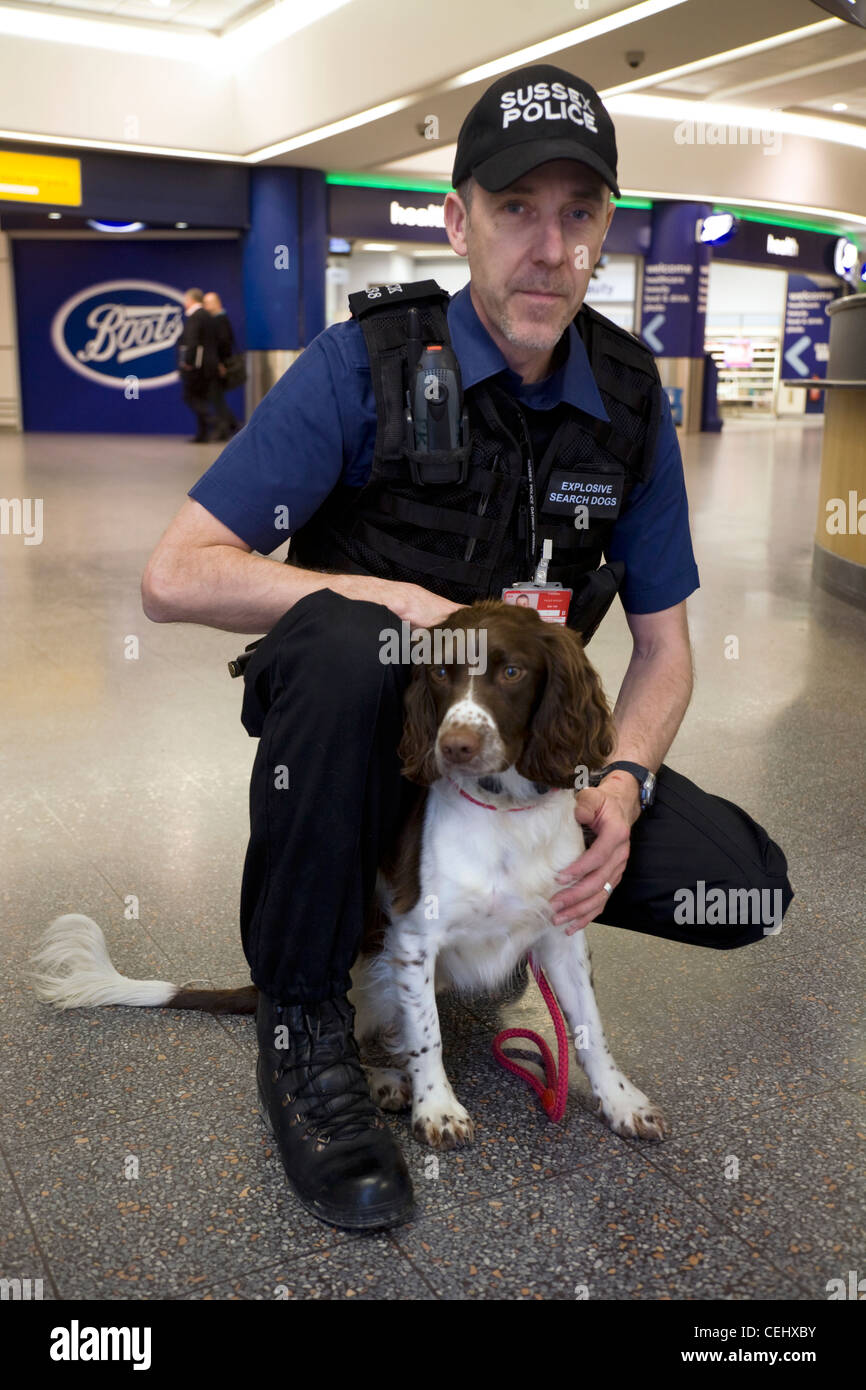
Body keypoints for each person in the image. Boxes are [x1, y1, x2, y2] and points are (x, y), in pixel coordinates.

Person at [142, 64, 794, 1233]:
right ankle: (304, 1024)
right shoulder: (360, 369)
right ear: (458, 220)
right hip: (369, 754)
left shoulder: (630, 404)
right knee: (348, 648)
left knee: (738, 883)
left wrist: (625, 783)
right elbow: (174, 572)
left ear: (603, 229)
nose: (546, 246)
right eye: (513, 208)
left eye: (577, 212)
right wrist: (386, 594)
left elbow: (663, 648)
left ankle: (480, 951)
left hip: (514, 755)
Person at [177, 288, 220, 442]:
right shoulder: (208, 316)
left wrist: (188, 362)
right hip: (208, 366)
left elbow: (192, 341)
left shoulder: (195, 317)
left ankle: (214, 422)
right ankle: (203, 435)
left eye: (185, 300)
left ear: (191, 300)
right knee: (202, 398)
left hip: (197, 367)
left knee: (190, 396)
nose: (184, 303)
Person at [203, 291, 240, 441]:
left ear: (217, 303)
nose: (206, 306)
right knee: (216, 397)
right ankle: (231, 425)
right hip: (218, 364)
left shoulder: (220, 320)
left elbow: (224, 343)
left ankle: (225, 429)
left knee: (216, 398)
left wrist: (221, 363)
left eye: (209, 302)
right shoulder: (216, 320)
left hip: (219, 365)